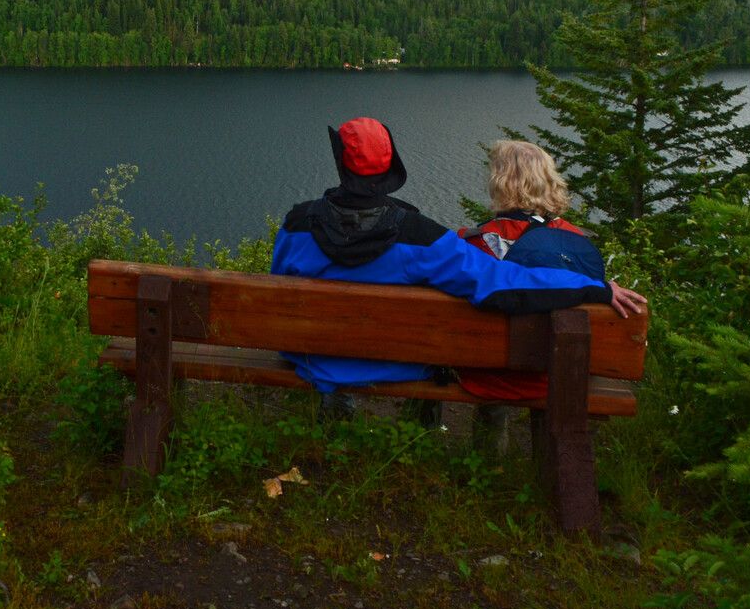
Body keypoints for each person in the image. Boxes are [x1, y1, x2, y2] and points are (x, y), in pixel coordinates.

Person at [270, 118, 645, 404]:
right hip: (398, 364)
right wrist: (593, 288)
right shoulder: (424, 238)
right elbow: (504, 284)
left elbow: (279, 284)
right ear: (389, 169)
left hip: (310, 356)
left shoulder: (296, 224)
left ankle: (334, 408)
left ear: (341, 163)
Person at [456, 139, 616, 405]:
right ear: (549, 180)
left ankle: (488, 429)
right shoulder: (577, 243)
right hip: (560, 376)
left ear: (500, 181)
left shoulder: (473, 242)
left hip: (487, 377)